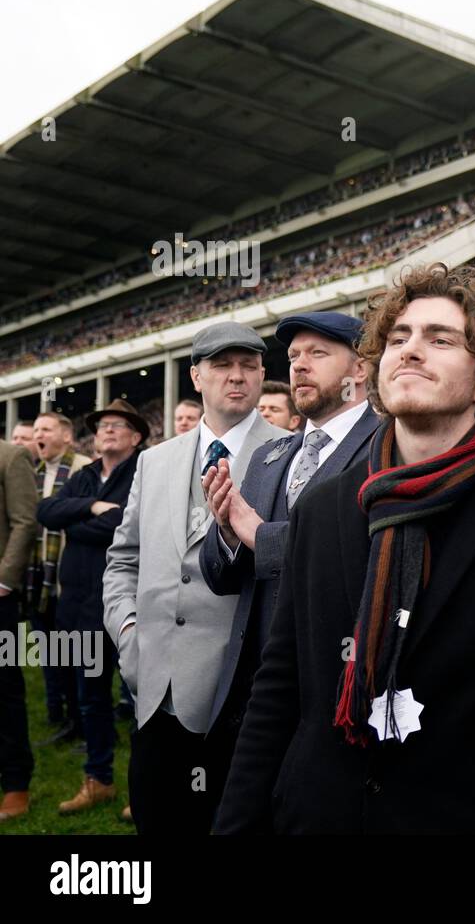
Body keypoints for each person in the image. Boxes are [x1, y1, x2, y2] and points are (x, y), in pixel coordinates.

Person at [215, 265, 475, 833]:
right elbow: (279, 687)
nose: (411, 351)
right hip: (319, 817)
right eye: (398, 339)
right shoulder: (322, 510)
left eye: (440, 339)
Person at [102, 323, 289, 834]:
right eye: (223, 366)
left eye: (249, 366)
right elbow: (122, 559)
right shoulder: (154, 461)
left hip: (241, 700)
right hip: (154, 685)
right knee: (157, 818)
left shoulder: (293, 454)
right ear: (196, 376)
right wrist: (127, 633)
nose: (237, 377)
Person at [200, 312, 379, 745]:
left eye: (318, 353)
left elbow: (361, 557)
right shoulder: (270, 455)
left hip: (339, 689)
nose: (299, 364)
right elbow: (220, 577)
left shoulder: (389, 446)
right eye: (294, 355)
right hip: (257, 692)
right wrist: (226, 531)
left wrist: (260, 535)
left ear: (360, 369)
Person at [36, 400, 148, 814]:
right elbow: (45, 511)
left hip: (128, 606)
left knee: (140, 701)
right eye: (103, 426)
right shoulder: (84, 476)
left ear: (136, 437)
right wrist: (92, 507)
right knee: (91, 698)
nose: (108, 431)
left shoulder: (144, 471)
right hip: (81, 607)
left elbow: (127, 526)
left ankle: (143, 788)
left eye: (119, 426)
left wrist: (79, 522)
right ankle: (98, 779)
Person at [27, 412, 92, 745]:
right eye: (36, 429)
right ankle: (64, 717)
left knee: (78, 656)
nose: (39, 434)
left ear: (66, 436)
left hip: (71, 579)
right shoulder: (32, 473)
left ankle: (84, 722)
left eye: (46, 429)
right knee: (52, 655)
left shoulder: (83, 468)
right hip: (39, 579)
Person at [0, 438, 39, 823]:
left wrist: (4, 581)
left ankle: (15, 783)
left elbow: (25, 520)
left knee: (4, 689)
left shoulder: (11, 456)